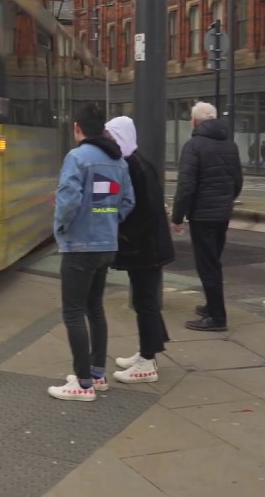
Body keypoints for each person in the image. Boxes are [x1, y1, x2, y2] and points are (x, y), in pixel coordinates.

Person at [49, 103, 134, 402]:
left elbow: (68, 200)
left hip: (80, 246)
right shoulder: (118, 162)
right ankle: (97, 374)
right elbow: (127, 201)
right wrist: (108, 220)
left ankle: (83, 383)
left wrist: (61, 227)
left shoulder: (77, 158)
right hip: (106, 245)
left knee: (73, 312)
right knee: (95, 309)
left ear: (77, 128)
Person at [105, 116, 175, 384]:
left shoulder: (132, 166)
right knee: (146, 301)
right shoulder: (139, 162)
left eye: (111, 136)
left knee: (145, 303)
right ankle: (148, 351)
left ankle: (147, 361)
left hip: (145, 247)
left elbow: (141, 210)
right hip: (150, 246)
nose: (108, 141)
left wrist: (123, 232)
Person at [171, 101, 243, 332]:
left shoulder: (193, 146)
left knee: (207, 265)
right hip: (222, 214)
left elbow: (186, 186)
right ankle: (211, 306)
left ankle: (217, 317)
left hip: (202, 215)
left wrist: (177, 217)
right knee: (213, 261)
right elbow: (237, 181)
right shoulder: (230, 145)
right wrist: (226, 202)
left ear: (194, 122)